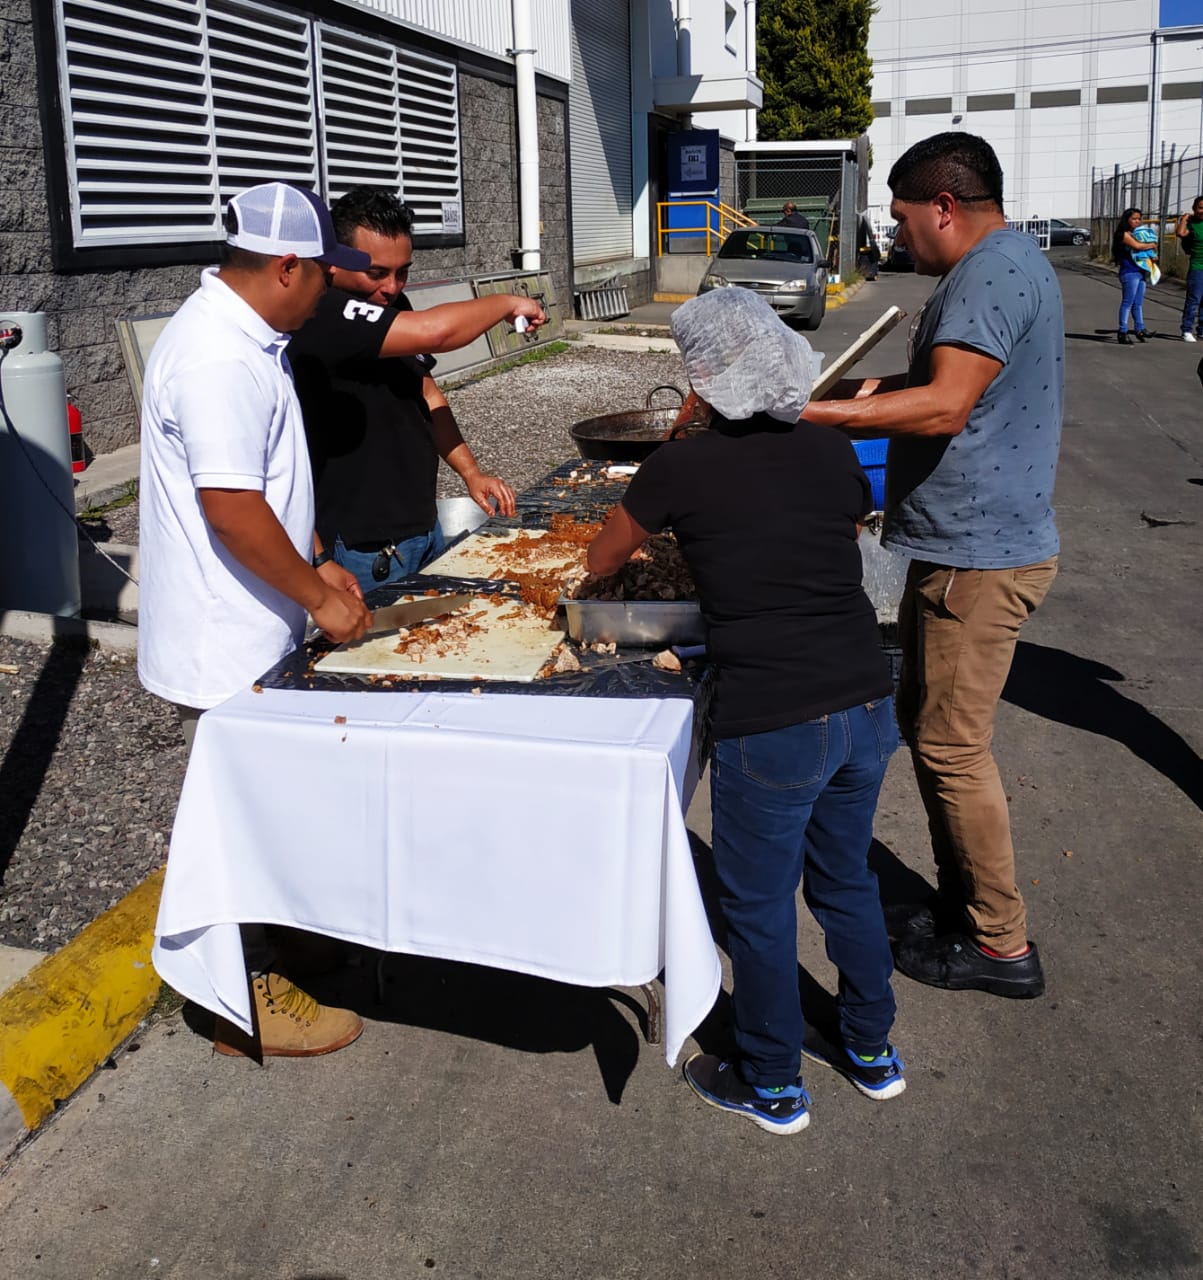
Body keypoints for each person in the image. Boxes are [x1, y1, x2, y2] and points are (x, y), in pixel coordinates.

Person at [587, 288, 904, 1137]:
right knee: (845, 884)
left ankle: (771, 1081)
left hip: (771, 716)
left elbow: (603, 554)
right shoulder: (830, 450)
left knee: (758, 908)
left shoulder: (679, 467)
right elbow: (829, 546)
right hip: (865, 703)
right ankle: (872, 1052)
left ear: (699, 382)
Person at [800, 132, 1063, 1000]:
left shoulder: (986, 274)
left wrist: (812, 418)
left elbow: (947, 406)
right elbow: (950, 381)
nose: (897, 235)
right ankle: (963, 905)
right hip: (962, 550)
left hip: (977, 560)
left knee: (951, 748)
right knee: (930, 729)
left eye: (903, 218)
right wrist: (862, 391)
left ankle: (998, 943)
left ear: (944, 208)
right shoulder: (1007, 258)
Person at [139, 181, 375, 1057]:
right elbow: (233, 508)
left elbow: (268, 477)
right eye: (325, 273)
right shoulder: (218, 358)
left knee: (278, 804)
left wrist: (313, 560)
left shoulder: (249, 336)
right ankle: (240, 1000)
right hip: (223, 638)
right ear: (286, 267)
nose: (333, 290)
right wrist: (319, 600)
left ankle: (291, 945)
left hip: (257, 619)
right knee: (238, 822)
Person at [287, 188, 546, 594]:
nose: (391, 287)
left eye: (402, 271)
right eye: (376, 273)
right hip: (362, 543)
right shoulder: (324, 311)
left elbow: (428, 395)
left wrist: (470, 472)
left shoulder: (394, 304)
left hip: (422, 527)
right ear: (335, 261)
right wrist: (508, 303)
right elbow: (437, 331)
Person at [1112, 208, 1153, 344]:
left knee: (1138, 303)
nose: (1137, 221)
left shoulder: (1139, 233)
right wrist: (1151, 244)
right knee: (1127, 302)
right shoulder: (1123, 234)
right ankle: (1122, 331)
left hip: (1141, 271)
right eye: (1134, 219)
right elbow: (1138, 246)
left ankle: (1140, 328)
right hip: (1129, 272)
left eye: (1139, 219)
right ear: (1127, 219)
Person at [1176, 195, 1203, 342]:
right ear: (1194, 209)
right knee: (1194, 300)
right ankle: (1186, 329)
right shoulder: (1192, 223)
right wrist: (1185, 218)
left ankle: (1202, 330)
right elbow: (1180, 233)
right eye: (1200, 207)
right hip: (1198, 266)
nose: (1202, 211)